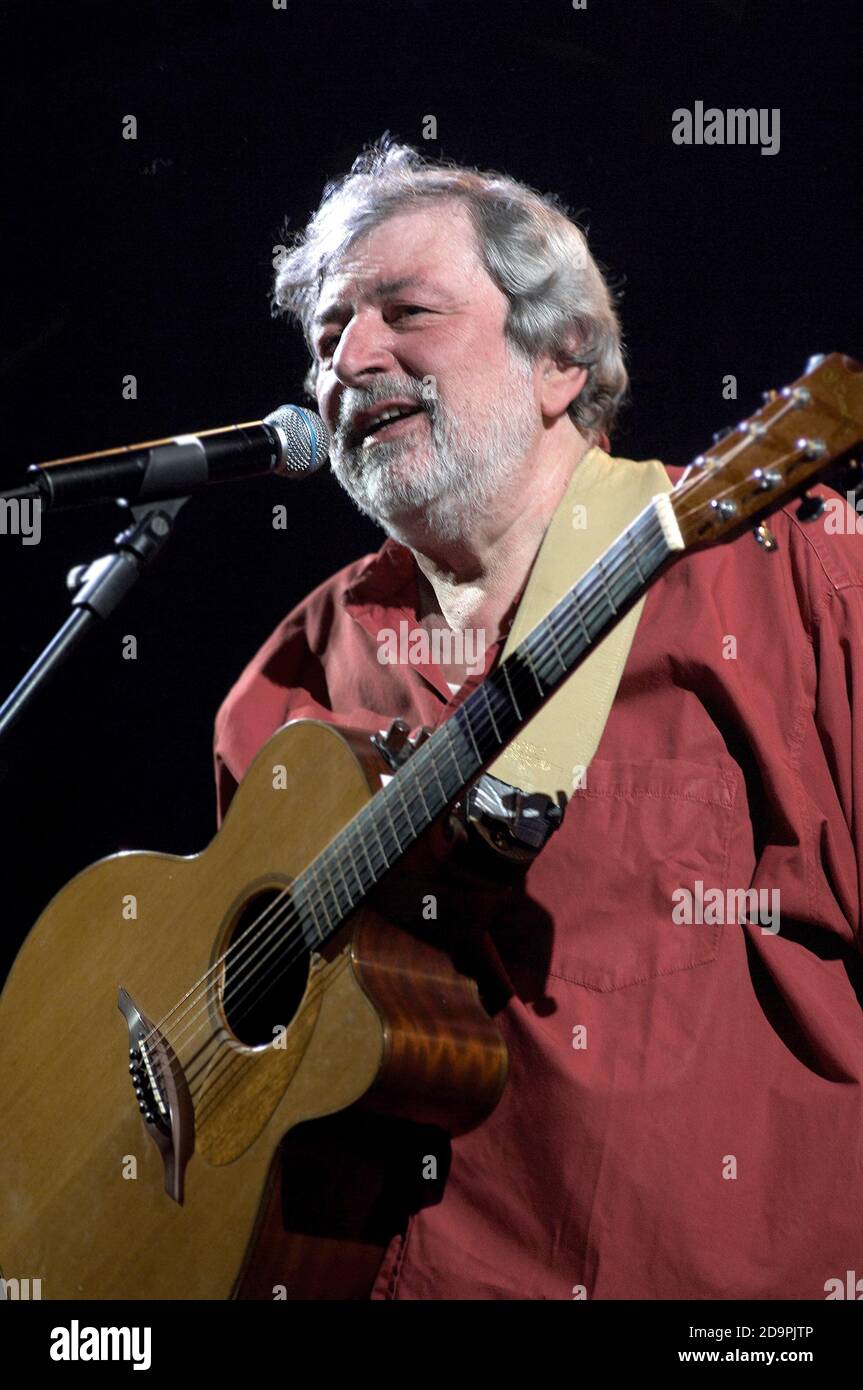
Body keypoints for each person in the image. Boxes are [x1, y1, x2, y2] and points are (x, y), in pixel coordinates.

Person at [214, 138, 863, 1300]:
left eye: (404, 312)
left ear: (560, 357)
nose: (349, 361)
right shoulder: (288, 680)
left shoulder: (786, 583)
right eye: (325, 339)